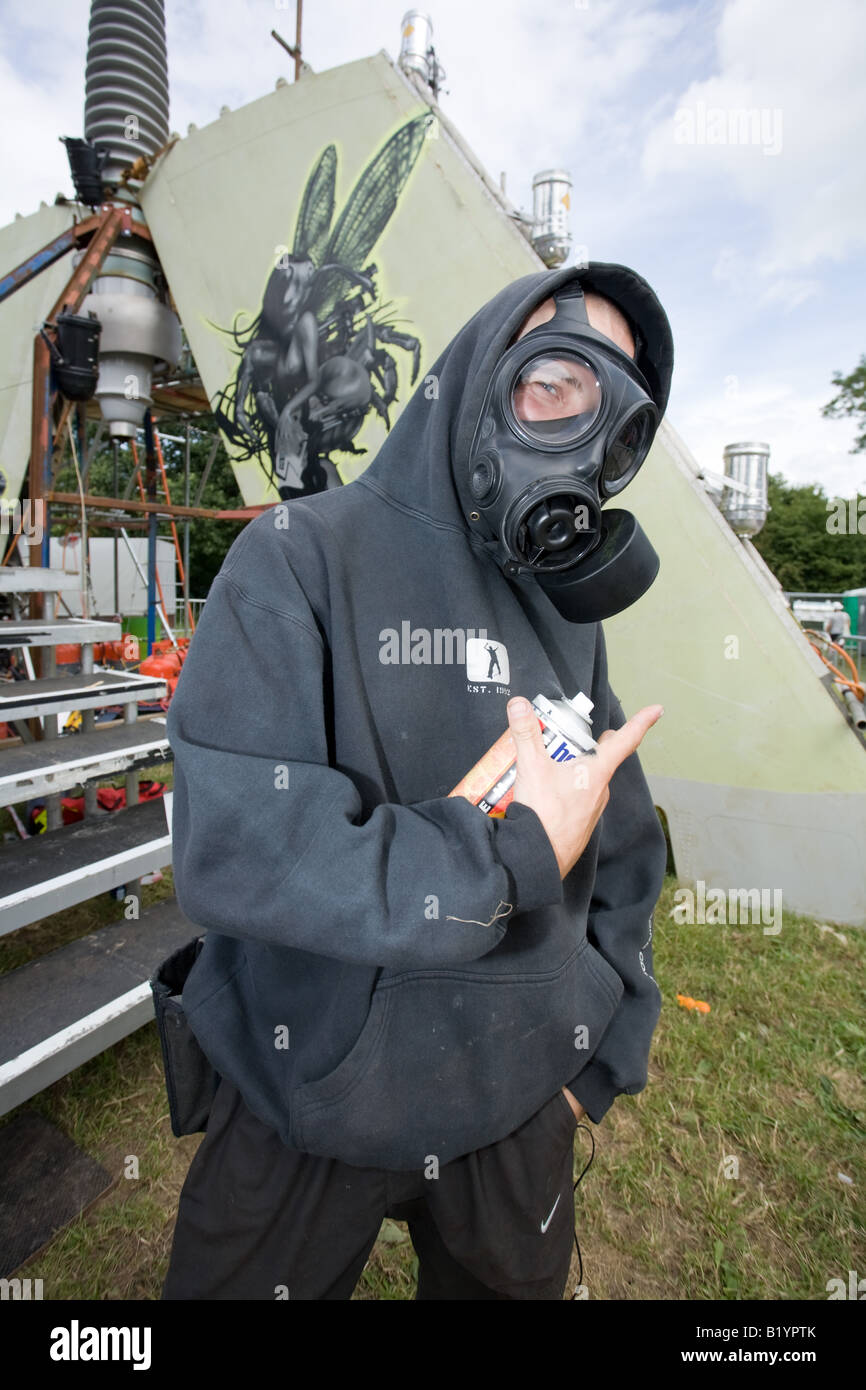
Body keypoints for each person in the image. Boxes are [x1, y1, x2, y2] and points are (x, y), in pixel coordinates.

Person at [161, 260, 674, 1301]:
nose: (576, 437)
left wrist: (598, 1056)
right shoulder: (299, 558)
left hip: (514, 1104)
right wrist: (500, 852)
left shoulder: (567, 617)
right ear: (482, 370)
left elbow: (620, 844)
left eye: (612, 417)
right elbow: (238, 843)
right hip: (307, 1099)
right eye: (556, 381)